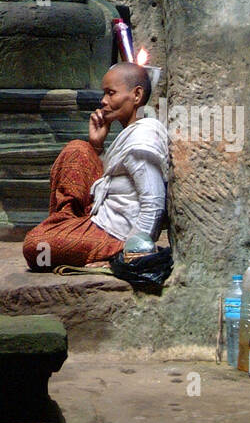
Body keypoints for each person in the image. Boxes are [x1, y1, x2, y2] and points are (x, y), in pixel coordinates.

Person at [23, 62, 170, 270]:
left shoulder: (142, 139)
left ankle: (107, 251)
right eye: (104, 94)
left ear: (137, 95)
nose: (103, 101)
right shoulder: (131, 132)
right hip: (99, 220)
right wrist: (97, 145)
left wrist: (132, 253)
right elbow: (112, 181)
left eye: (111, 93)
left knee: (36, 248)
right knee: (78, 149)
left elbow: (153, 204)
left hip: (116, 236)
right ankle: (68, 228)